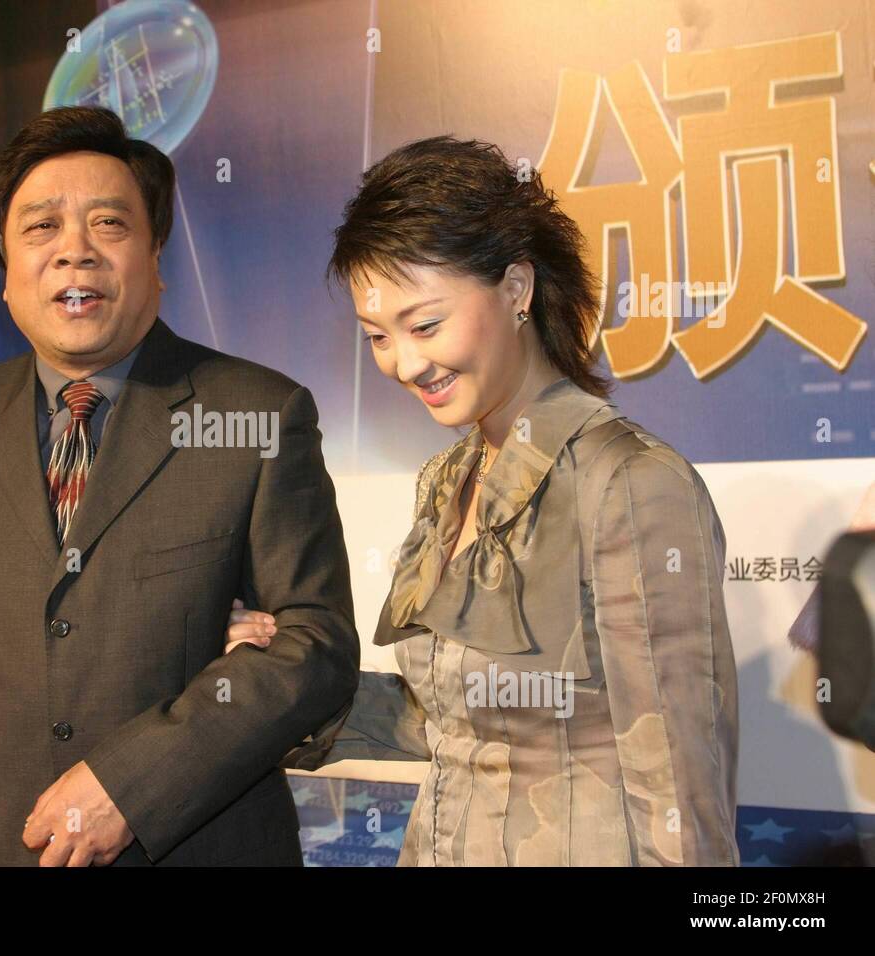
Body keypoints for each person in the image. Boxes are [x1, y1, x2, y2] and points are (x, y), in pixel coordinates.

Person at [0, 105, 359, 866]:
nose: (74, 251)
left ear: (156, 261)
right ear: (6, 277)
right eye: (41, 228)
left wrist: (131, 784)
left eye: (109, 225)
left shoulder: (257, 412)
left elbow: (314, 647)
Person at [229, 135, 740, 866]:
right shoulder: (444, 481)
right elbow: (457, 721)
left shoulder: (629, 484)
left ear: (516, 289)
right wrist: (287, 674)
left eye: (425, 325)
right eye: (377, 336)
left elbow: (682, 797)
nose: (405, 364)